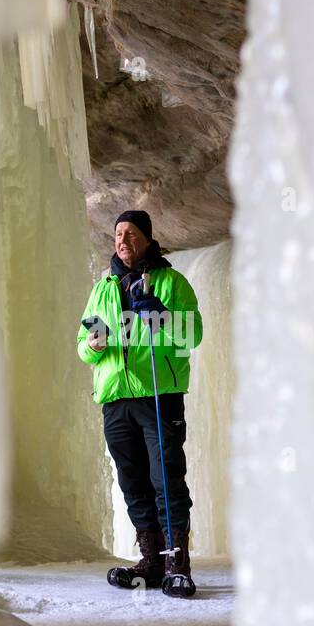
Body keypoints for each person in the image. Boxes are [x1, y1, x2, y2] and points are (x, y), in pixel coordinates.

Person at [77, 209, 203, 597]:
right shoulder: (102, 289)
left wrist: (161, 317)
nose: (123, 241)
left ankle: (176, 563)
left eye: (131, 234)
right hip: (116, 398)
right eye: (118, 234)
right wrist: (94, 344)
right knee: (132, 481)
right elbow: (82, 347)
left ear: (147, 238)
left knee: (165, 477)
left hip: (157, 395)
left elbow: (191, 336)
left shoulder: (171, 282)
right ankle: (150, 561)